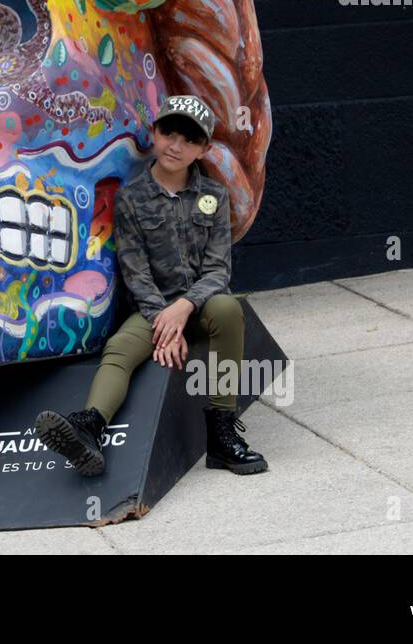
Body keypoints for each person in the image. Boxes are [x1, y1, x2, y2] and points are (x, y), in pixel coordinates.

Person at [35, 94, 268, 477]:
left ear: (202, 149)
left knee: (228, 309)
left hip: (201, 305)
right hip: (152, 309)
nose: (176, 146)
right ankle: (88, 427)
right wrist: (164, 320)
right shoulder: (132, 198)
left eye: (189, 140)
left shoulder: (213, 196)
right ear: (154, 133)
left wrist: (184, 308)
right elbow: (136, 272)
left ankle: (222, 434)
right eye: (169, 134)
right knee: (121, 348)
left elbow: (217, 270)